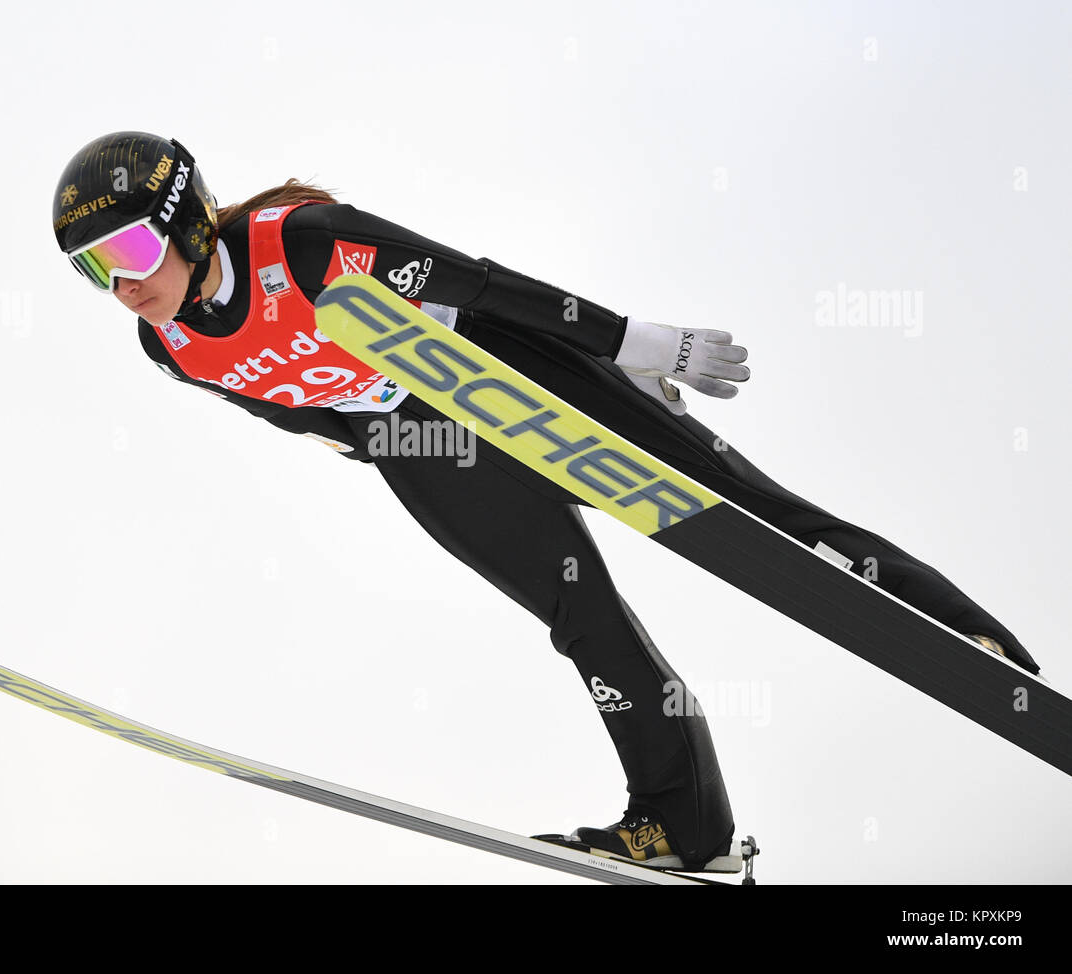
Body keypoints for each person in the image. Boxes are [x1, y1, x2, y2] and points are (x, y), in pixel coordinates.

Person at [51, 131, 1038, 874]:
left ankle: (959, 634)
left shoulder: (302, 246)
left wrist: (627, 343)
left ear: (184, 217)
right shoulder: (169, 346)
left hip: (498, 369)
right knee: (580, 617)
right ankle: (681, 820)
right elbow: (288, 407)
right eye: (95, 270)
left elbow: (478, 284)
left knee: (743, 504)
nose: (122, 284)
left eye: (130, 250)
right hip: (415, 439)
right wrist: (383, 445)